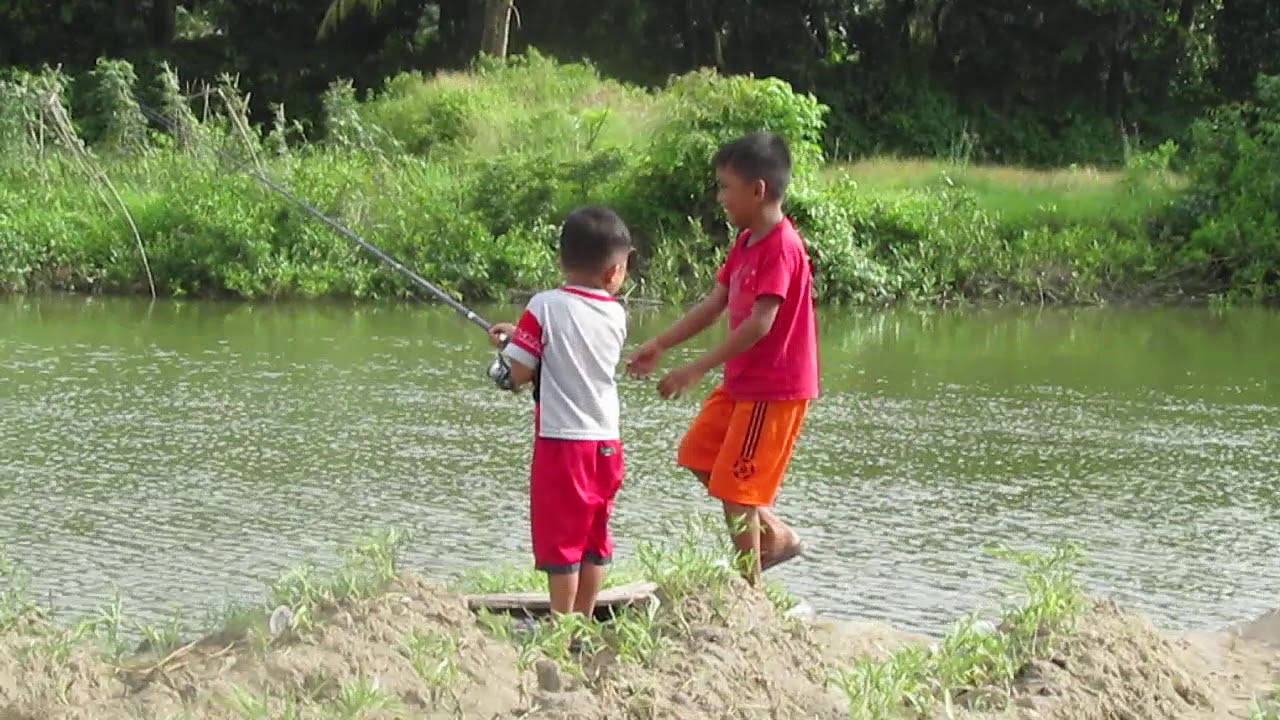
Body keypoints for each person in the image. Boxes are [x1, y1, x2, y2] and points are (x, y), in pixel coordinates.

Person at [626, 131, 818, 586]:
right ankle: (777, 533)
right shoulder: (746, 241)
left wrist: (694, 369)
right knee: (698, 455)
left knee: (737, 487)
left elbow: (759, 323)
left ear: (758, 190)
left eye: (727, 187)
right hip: (742, 384)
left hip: (773, 390)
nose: (721, 197)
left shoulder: (782, 248)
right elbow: (715, 304)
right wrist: (662, 344)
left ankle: (749, 588)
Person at [487, 205, 632, 620]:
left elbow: (516, 375)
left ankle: (560, 626)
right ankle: (582, 623)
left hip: (562, 444)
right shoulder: (617, 314)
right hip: (606, 443)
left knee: (563, 542)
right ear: (613, 273)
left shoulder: (544, 305)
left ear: (560, 260)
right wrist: (521, 337)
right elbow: (572, 348)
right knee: (594, 538)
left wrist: (504, 357)